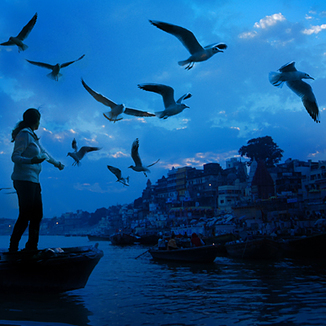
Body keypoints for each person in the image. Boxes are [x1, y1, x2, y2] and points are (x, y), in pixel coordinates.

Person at [9, 108, 64, 252]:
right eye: (39, 119)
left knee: (37, 215)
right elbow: (15, 157)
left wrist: (57, 164)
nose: (40, 122)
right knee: (25, 214)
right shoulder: (24, 134)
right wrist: (31, 160)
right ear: (35, 120)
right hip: (23, 180)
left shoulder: (33, 137)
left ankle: (32, 247)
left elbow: (45, 154)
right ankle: (13, 247)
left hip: (34, 181)